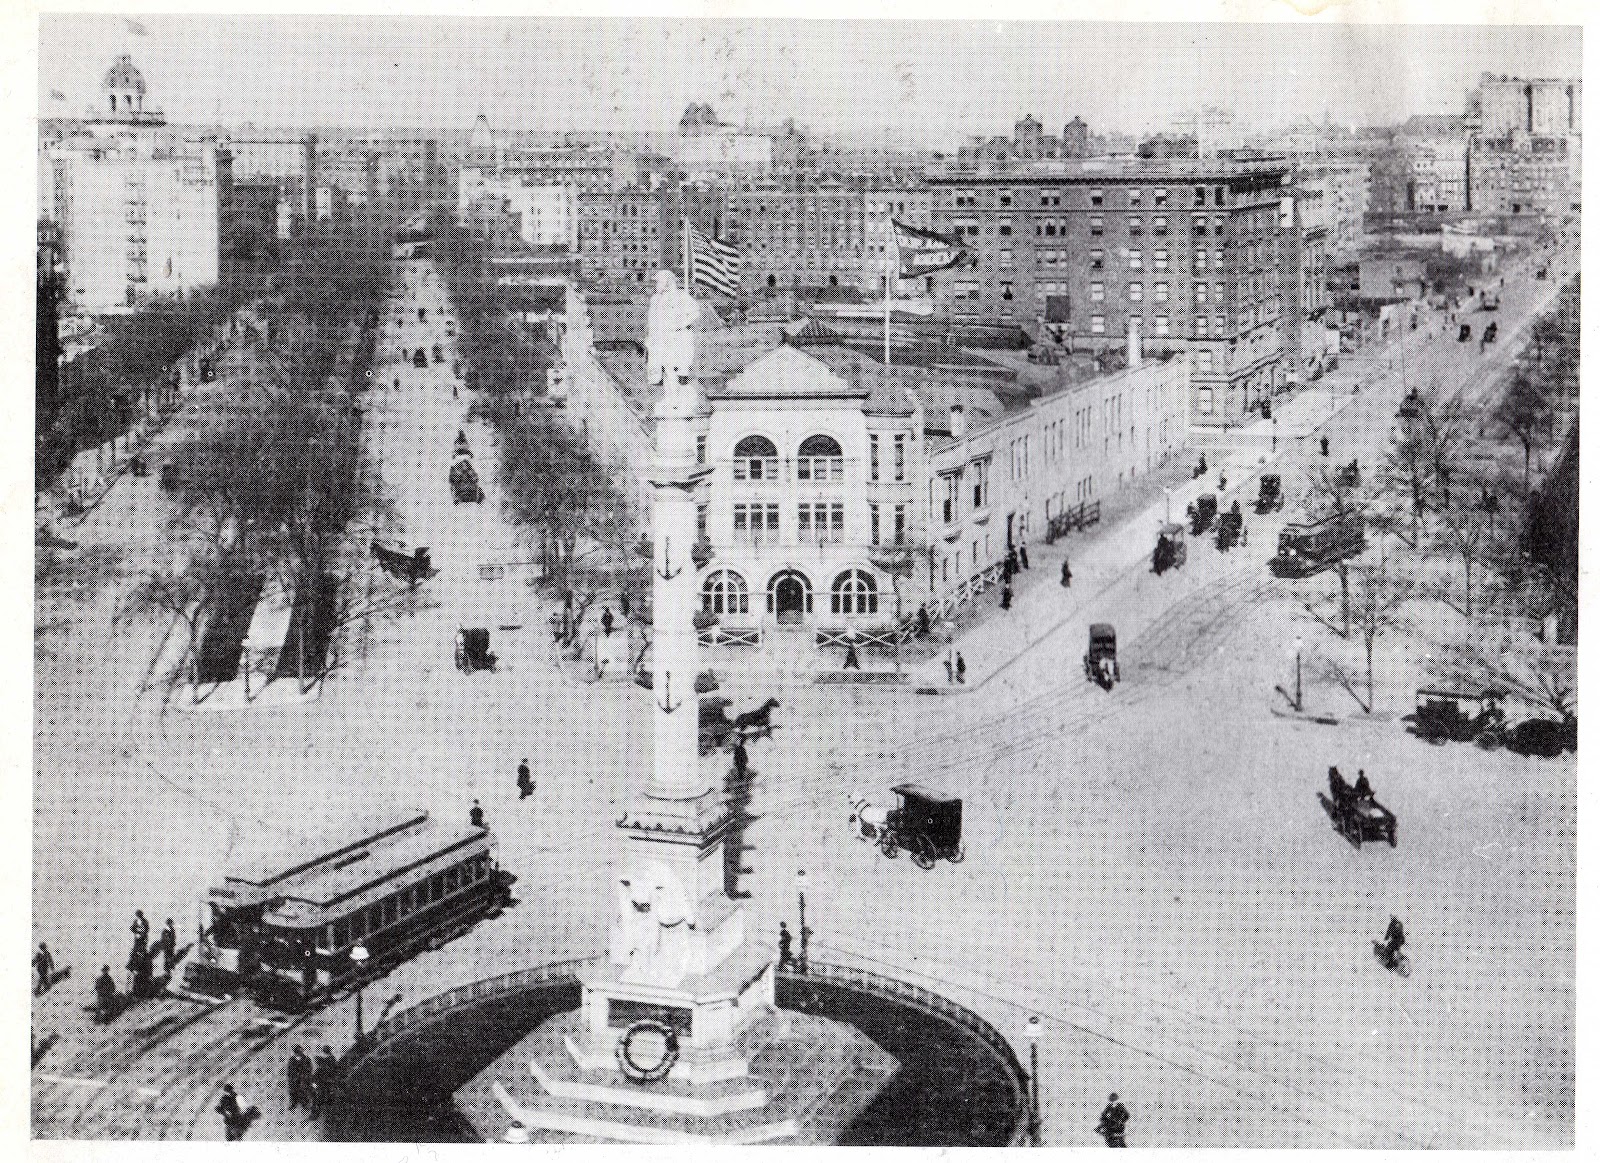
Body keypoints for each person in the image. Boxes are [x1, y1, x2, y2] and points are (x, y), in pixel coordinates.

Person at [311, 1046, 339, 1117]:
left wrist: (315, 1087)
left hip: (325, 1086)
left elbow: (313, 1081)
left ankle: (316, 1114)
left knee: (318, 1099)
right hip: (328, 1085)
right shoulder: (332, 1059)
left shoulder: (322, 1068)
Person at [287, 1046, 314, 1111]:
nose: (298, 1054)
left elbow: (309, 1068)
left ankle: (304, 1103)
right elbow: (290, 1069)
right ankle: (293, 1103)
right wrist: (292, 1076)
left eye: (300, 1052)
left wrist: (305, 1075)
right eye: (297, 1052)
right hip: (294, 1078)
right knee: (293, 1090)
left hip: (303, 1078)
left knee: (304, 1090)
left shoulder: (306, 1059)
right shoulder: (292, 1059)